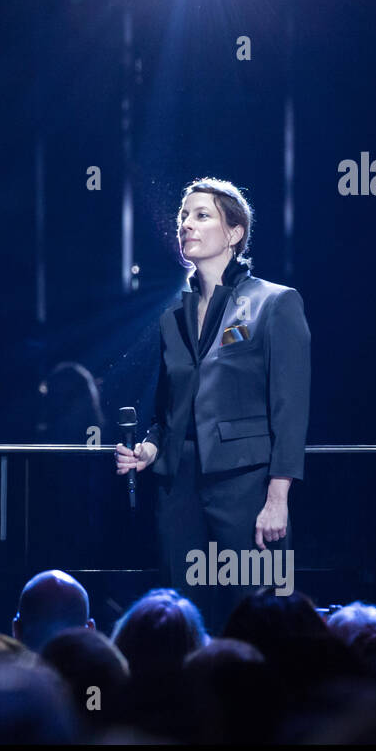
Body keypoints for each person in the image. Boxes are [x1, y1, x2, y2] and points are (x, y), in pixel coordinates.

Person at [115, 178, 310, 635]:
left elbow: (290, 406)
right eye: (183, 216)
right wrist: (149, 447)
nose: (186, 224)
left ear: (235, 232)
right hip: (177, 485)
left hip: (246, 483)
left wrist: (277, 498)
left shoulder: (274, 302)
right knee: (181, 615)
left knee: (258, 614)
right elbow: (168, 410)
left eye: (201, 215)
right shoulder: (172, 314)